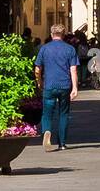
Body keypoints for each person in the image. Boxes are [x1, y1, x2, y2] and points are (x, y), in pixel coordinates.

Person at [34, 22, 79, 152]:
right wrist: (75, 88)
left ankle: (47, 131)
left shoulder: (44, 49)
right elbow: (73, 70)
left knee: (47, 113)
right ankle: (62, 143)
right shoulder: (70, 49)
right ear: (63, 35)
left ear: (51, 34)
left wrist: (39, 82)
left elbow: (38, 69)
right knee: (63, 113)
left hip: (49, 85)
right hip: (65, 85)